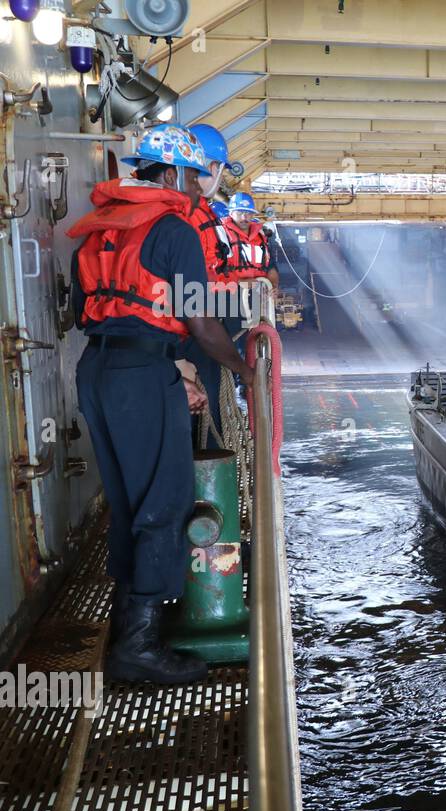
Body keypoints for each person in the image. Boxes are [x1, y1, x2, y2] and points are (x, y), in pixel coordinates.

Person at [66, 123, 253, 684]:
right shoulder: (174, 230)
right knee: (165, 504)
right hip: (141, 376)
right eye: (193, 178)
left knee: (131, 505)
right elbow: (200, 321)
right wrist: (244, 370)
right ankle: (139, 646)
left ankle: (132, 627)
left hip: (97, 369)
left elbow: (89, 314)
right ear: (170, 174)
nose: (198, 190)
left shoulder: (100, 232)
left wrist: (171, 363)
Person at [179, 123, 241, 448]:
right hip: (196, 346)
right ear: (214, 167)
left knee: (211, 424)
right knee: (206, 437)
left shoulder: (201, 212)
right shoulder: (186, 217)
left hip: (209, 341)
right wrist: (178, 361)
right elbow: (181, 295)